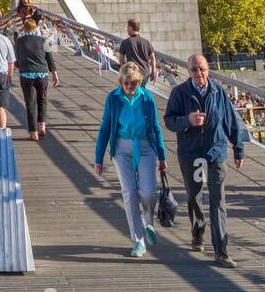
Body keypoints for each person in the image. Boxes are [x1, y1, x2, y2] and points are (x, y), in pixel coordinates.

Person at [164, 54, 244, 267]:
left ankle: (221, 251)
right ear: (188, 71)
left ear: (208, 69)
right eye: (194, 70)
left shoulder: (218, 92)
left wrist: (238, 147)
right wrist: (187, 121)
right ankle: (197, 232)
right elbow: (169, 121)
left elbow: (230, 120)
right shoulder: (179, 93)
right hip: (191, 153)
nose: (199, 74)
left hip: (215, 152)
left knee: (218, 200)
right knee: (194, 195)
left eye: (202, 69)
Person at [94, 62, 168, 256]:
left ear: (139, 82)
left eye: (133, 83)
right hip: (122, 148)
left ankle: (148, 222)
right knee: (130, 194)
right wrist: (98, 159)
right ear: (121, 82)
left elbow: (155, 128)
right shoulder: (114, 98)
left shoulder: (147, 98)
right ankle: (138, 240)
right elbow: (105, 128)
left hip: (145, 147)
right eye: (125, 83)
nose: (129, 87)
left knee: (149, 193)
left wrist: (162, 155)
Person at [15, 17, 59, 140]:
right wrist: (55, 74)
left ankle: (33, 132)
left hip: (26, 74)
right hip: (42, 74)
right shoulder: (44, 40)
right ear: (36, 28)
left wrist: (22, 65)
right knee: (42, 100)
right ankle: (42, 126)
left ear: (24, 28)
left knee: (30, 103)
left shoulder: (19, 41)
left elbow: (17, 60)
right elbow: (49, 58)